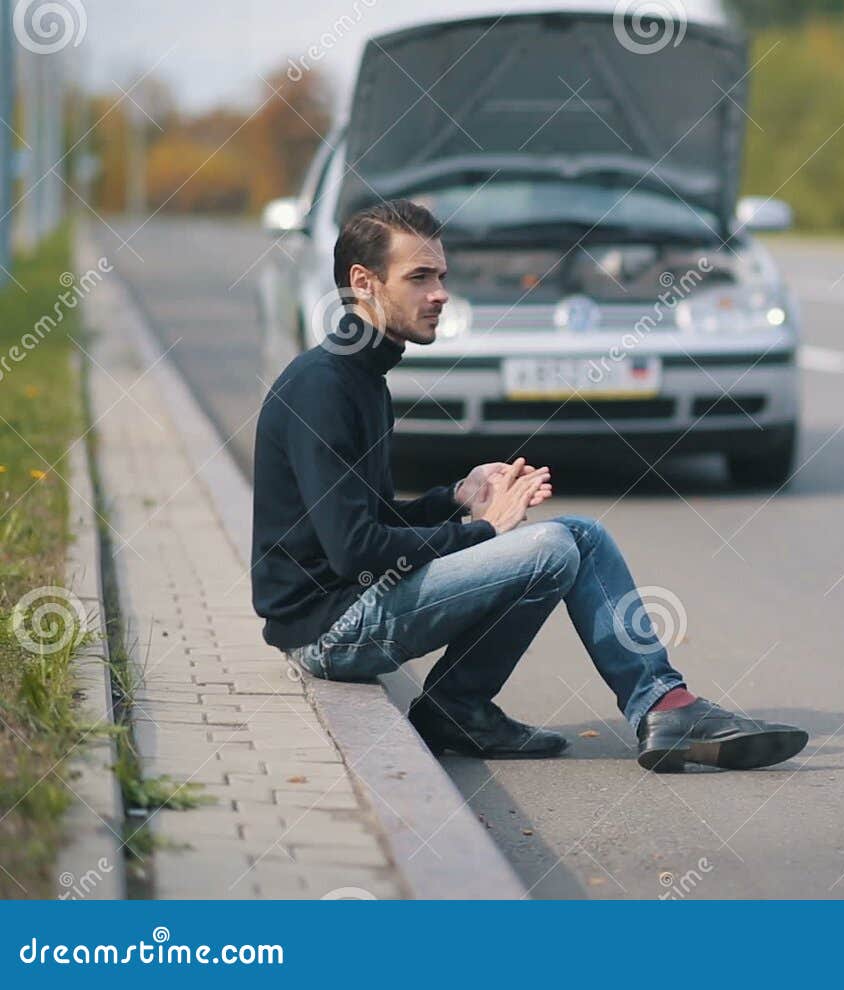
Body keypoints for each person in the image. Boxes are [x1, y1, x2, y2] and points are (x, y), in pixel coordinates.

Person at [248, 199, 808, 772]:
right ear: (363, 283)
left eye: (441, 275)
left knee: (581, 536)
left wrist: (454, 498)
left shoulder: (362, 378)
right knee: (548, 548)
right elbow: (355, 550)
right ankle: (461, 704)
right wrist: (483, 531)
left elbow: (367, 518)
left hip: (354, 604)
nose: (439, 293)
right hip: (329, 631)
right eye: (419, 278)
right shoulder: (324, 387)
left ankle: (661, 703)